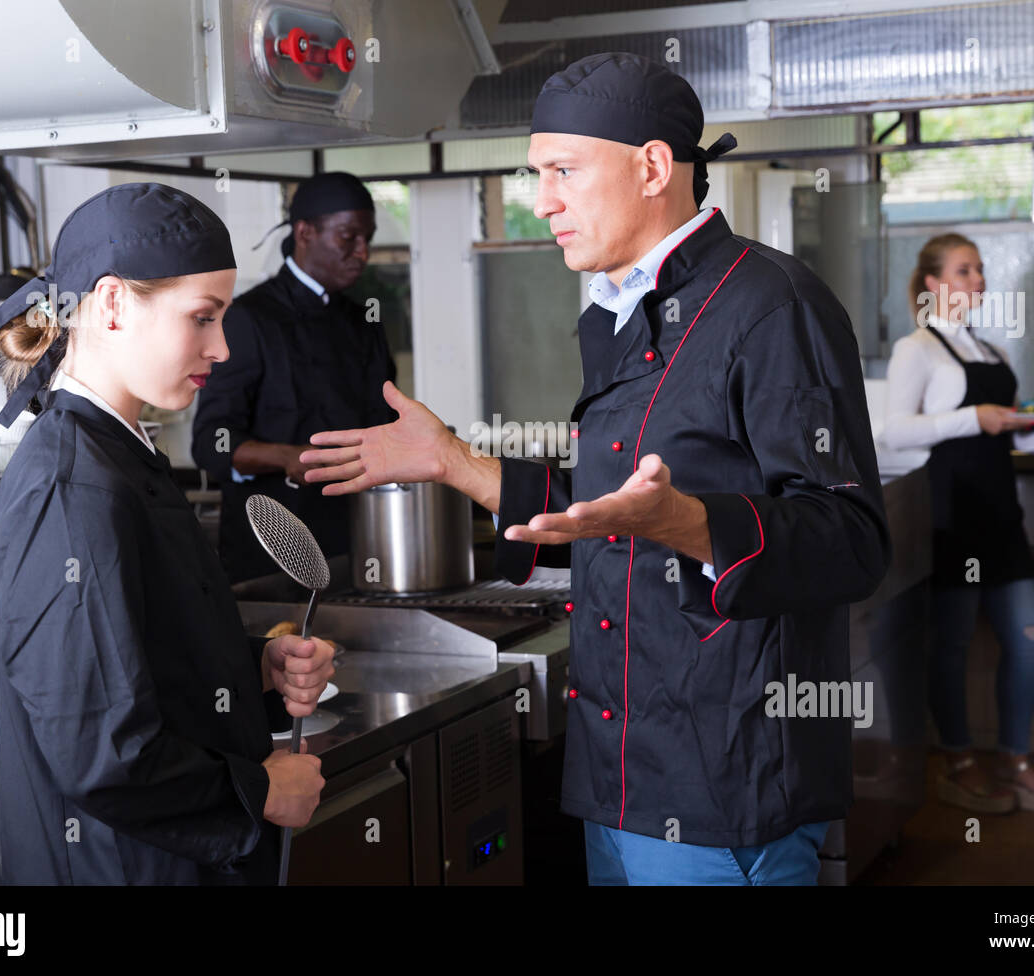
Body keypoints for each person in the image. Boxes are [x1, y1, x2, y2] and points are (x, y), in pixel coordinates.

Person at [299, 52, 891, 885]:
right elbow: (611, 511)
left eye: (563, 171)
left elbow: (852, 540)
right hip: (616, 773)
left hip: (722, 776)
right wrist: (456, 463)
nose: (542, 199)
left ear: (653, 167)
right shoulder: (616, 313)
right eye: (537, 173)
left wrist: (690, 524)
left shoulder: (770, 305)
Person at [0, 183, 334, 884]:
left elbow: (138, 659)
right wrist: (258, 791)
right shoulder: (70, 487)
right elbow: (99, 748)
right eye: (202, 318)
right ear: (112, 303)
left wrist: (252, 669)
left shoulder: (120, 451)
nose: (223, 346)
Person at [881, 233, 1034, 815]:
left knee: (1029, 637)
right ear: (934, 285)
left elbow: (1010, 431)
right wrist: (973, 416)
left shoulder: (994, 354)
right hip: (950, 516)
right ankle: (959, 762)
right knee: (954, 645)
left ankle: (1015, 759)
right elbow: (892, 431)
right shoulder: (918, 349)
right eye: (965, 271)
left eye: (981, 271)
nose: (978, 281)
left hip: (999, 516)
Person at [191, 172, 396, 583]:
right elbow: (212, 443)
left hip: (357, 545)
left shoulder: (363, 321)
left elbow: (385, 421)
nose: (363, 252)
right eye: (349, 237)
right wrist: (288, 458)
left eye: (367, 239)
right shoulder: (249, 318)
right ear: (305, 232)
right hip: (270, 556)